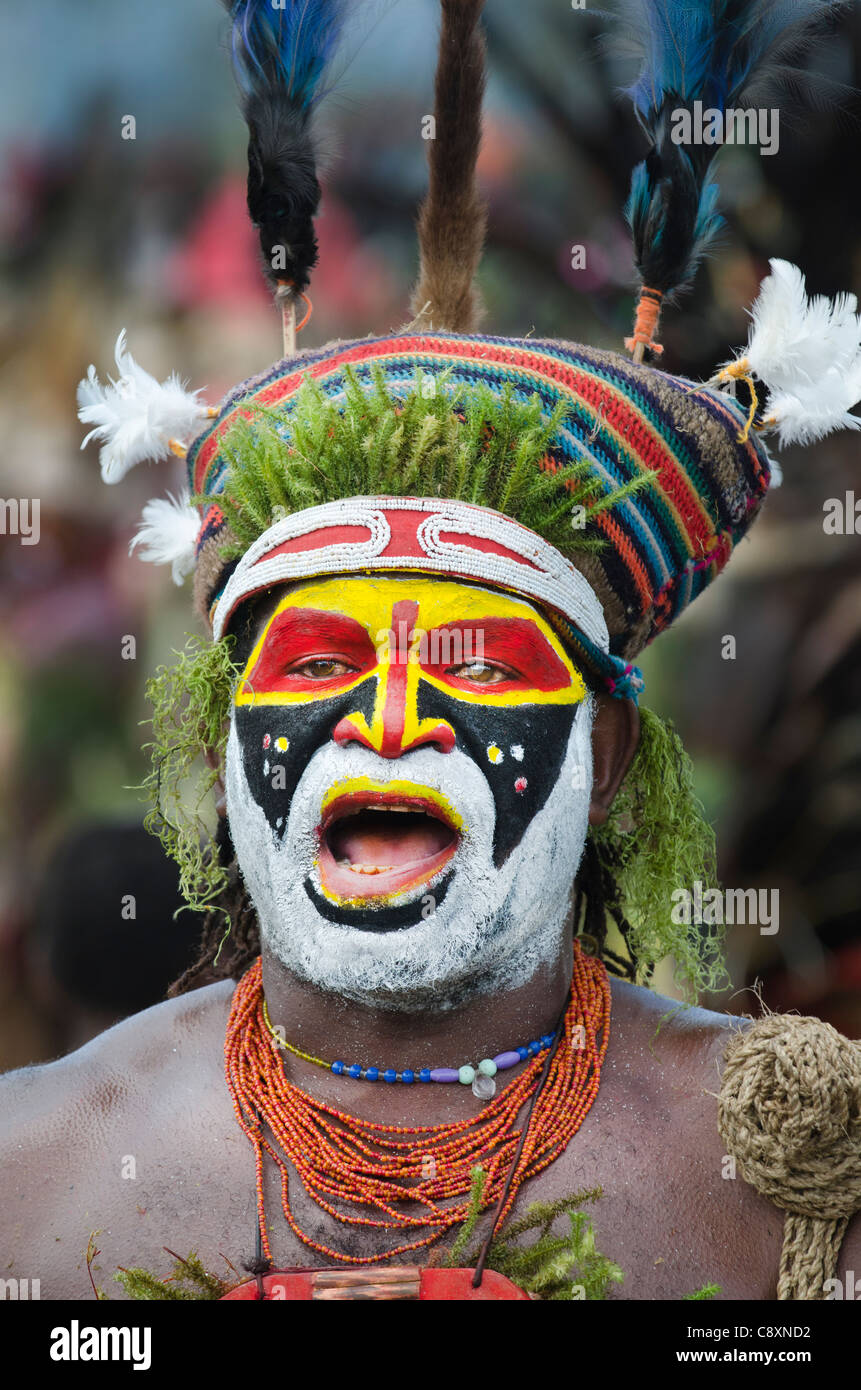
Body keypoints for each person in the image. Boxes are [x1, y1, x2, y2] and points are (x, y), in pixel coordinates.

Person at [1, 0, 859, 1302]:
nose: (388, 720)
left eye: (477, 664)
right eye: (315, 663)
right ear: (228, 737)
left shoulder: (794, 1178)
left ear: (607, 747)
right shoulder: (39, 1164)